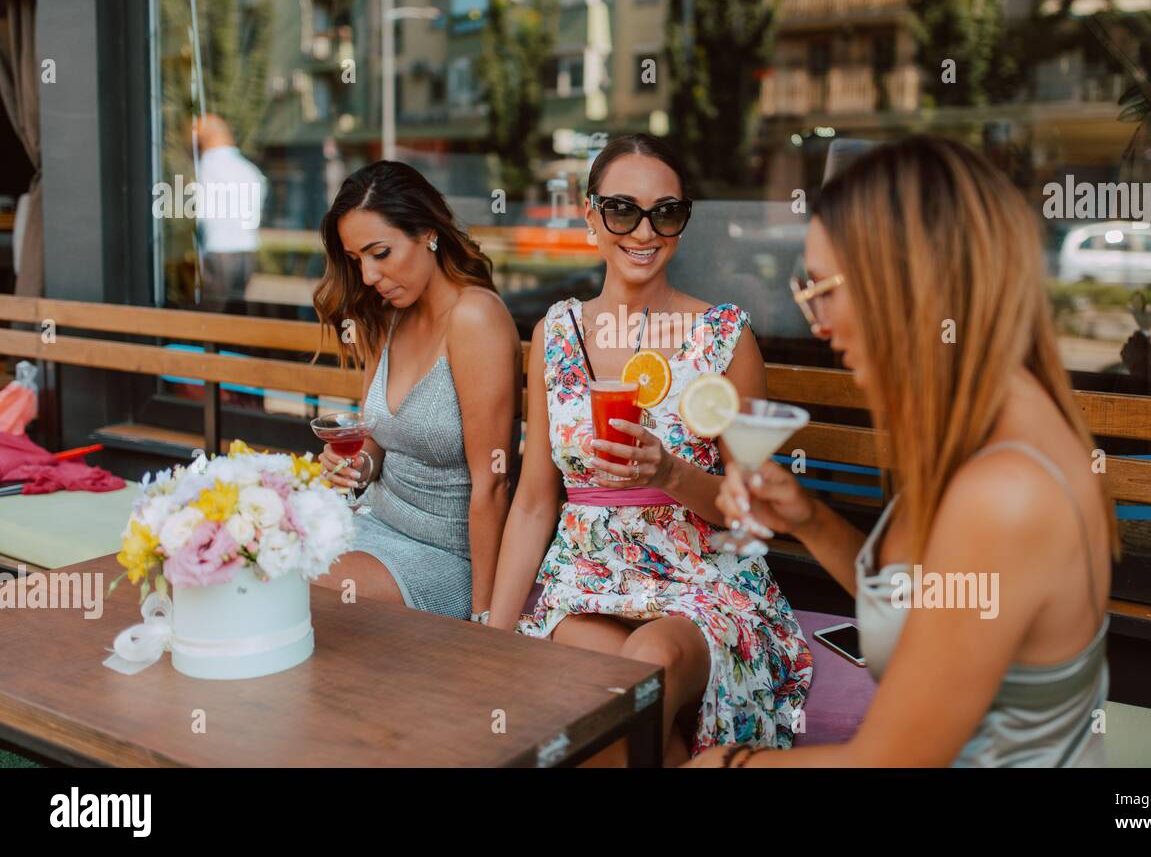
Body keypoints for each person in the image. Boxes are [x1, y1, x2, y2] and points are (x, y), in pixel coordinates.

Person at [698, 135, 1117, 767]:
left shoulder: (1002, 495)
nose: (817, 322)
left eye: (823, 289)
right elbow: (925, 605)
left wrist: (728, 764)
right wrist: (807, 519)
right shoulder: (988, 423)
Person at [488, 134, 812, 766]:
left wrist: (669, 472)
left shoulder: (724, 336)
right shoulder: (555, 332)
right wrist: (495, 637)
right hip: (587, 578)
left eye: (666, 212)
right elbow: (532, 502)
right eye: (621, 210)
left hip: (701, 577)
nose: (644, 230)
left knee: (648, 665)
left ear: (683, 222)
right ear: (590, 216)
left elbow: (749, 513)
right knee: (607, 691)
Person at [312, 161, 519, 620]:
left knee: (307, 586)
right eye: (355, 260)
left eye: (379, 253)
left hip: (445, 556)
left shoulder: (474, 318)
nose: (367, 276)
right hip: (371, 521)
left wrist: (484, 619)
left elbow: (494, 481)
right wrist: (353, 467)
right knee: (255, 557)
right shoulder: (388, 316)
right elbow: (375, 444)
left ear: (428, 233)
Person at [194, 114, 265, 306]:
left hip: (218, 252)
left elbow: (199, 212)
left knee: (213, 317)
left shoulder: (206, 168)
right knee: (236, 311)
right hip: (246, 251)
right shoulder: (248, 169)